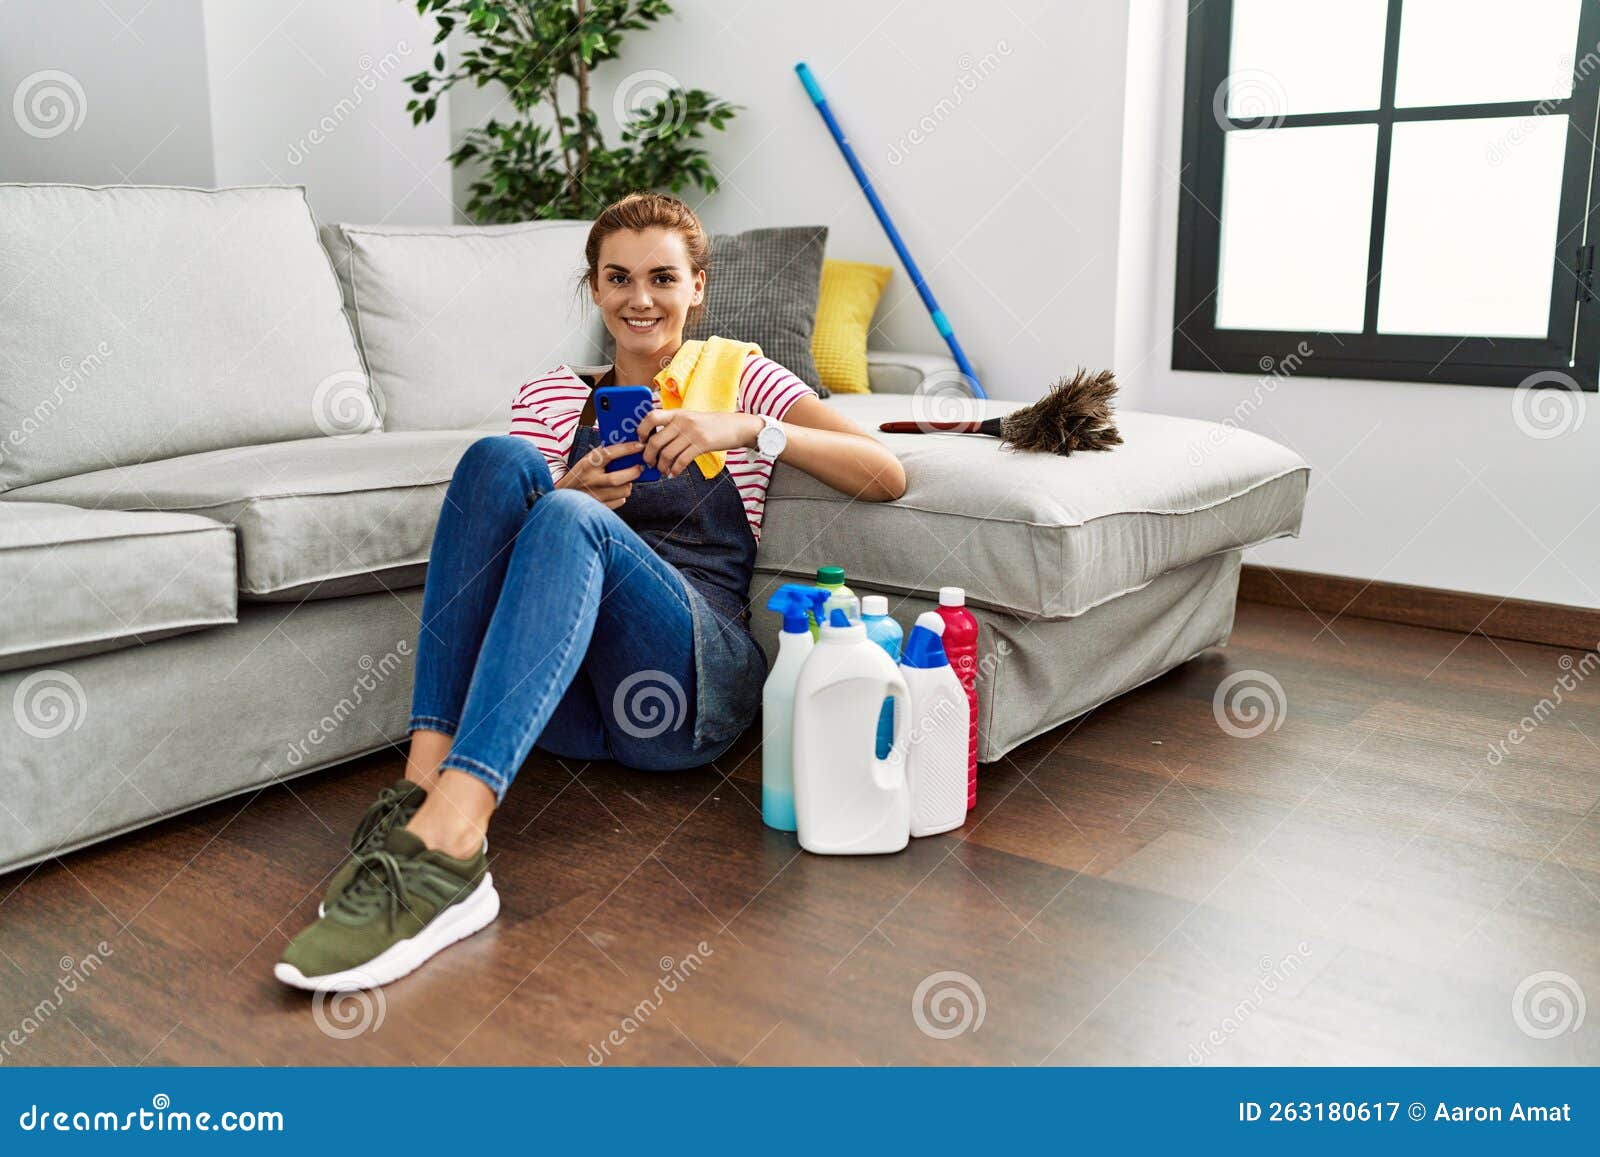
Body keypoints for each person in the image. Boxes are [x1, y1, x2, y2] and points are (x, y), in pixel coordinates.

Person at [276, 192, 907, 990]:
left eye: (662, 278)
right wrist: (561, 491)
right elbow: (513, 551)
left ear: (698, 287)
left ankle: (452, 848)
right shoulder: (548, 396)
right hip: (568, 713)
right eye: (618, 278)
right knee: (496, 462)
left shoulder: (740, 375)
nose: (640, 298)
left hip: (687, 689)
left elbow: (887, 472)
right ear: (595, 290)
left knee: (567, 511)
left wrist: (744, 430)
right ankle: (420, 791)